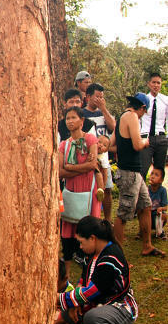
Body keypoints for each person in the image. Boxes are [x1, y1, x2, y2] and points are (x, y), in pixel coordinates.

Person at [54, 217, 137, 324]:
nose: (80, 247)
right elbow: (83, 280)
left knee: (92, 318)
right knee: (69, 313)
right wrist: (75, 303)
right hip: (98, 304)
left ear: (92, 238)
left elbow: (91, 291)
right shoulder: (92, 255)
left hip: (121, 308)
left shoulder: (110, 258)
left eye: (81, 242)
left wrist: (60, 298)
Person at [113, 93, 162, 258]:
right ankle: (118, 256)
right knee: (123, 214)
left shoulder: (122, 117)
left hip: (134, 173)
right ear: (142, 107)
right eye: (144, 112)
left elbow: (112, 144)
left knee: (146, 206)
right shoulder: (132, 116)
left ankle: (147, 245)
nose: (143, 115)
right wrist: (145, 142)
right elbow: (137, 145)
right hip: (129, 173)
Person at [58, 105, 100, 288]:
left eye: (74, 117)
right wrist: (81, 169)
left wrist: (70, 168)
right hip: (71, 191)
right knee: (67, 234)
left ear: (82, 121)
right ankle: (66, 275)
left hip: (89, 190)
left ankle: (88, 274)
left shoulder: (90, 139)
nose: (70, 121)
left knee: (88, 230)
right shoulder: (64, 144)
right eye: (68, 118)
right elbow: (60, 172)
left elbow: (93, 165)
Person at [82, 84, 115, 225]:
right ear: (88, 97)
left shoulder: (103, 113)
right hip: (88, 157)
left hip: (104, 157)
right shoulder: (82, 114)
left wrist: (104, 109)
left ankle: (107, 220)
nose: (100, 100)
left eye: (102, 97)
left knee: (107, 189)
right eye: (97, 97)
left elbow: (113, 127)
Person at [139, 72, 168, 176]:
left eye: (158, 83)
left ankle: (157, 187)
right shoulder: (144, 100)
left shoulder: (165, 100)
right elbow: (138, 118)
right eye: (153, 82)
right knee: (143, 169)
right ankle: (141, 187)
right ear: (149, 84)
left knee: (159, 171)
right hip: (146, 138)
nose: (156, 85)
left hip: (161, 138)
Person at [148, 166, 167, 238]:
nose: (152, 176)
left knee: (164, 215)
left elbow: (166, 207)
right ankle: (142, 230)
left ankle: (159, 231)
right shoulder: (146, 189)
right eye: (152, 174)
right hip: (147, 214)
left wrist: (161, 208)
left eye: (156, 175)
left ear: (161, 180)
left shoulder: (163, 190)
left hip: (156, 214)